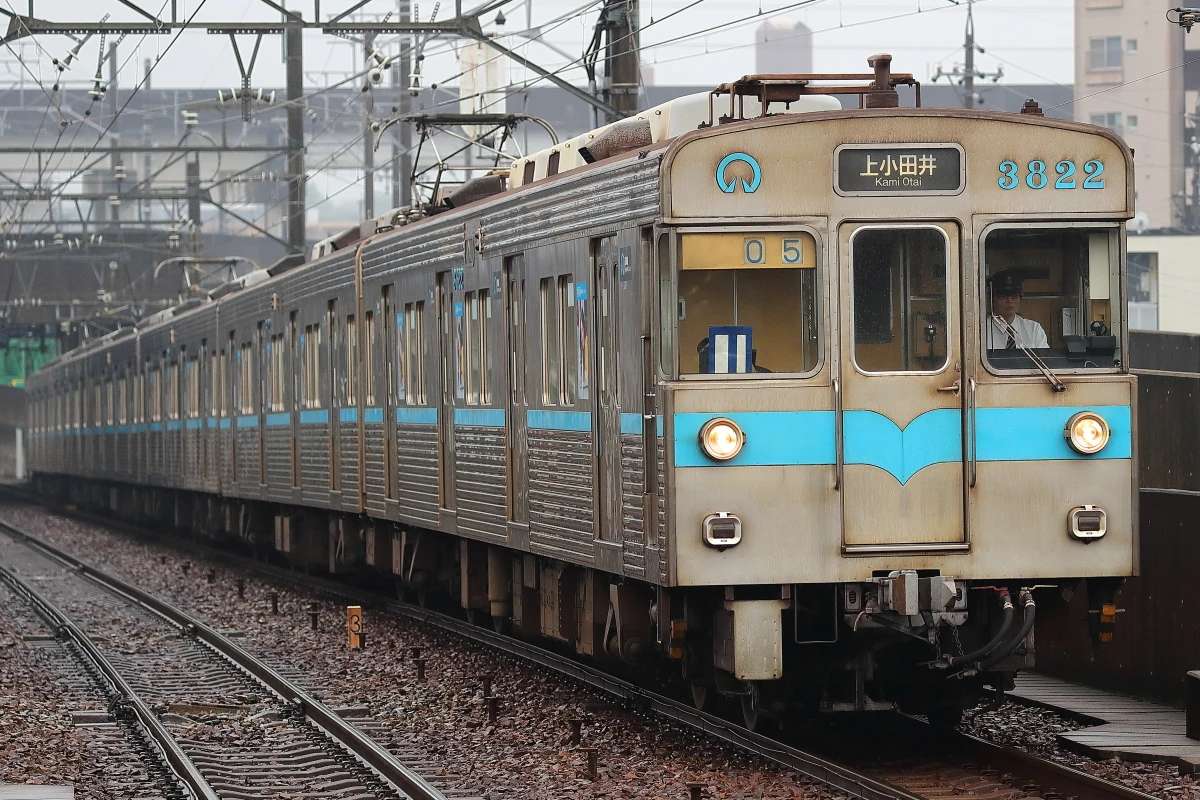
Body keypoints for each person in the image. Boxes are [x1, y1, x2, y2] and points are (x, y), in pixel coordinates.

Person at [986, 270, 1048, 350]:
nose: (1009, 300)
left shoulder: (1034, 330)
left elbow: (1044, 360)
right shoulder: (982, 332)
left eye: (1014, 295)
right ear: (992, 299)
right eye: (1003, 295)